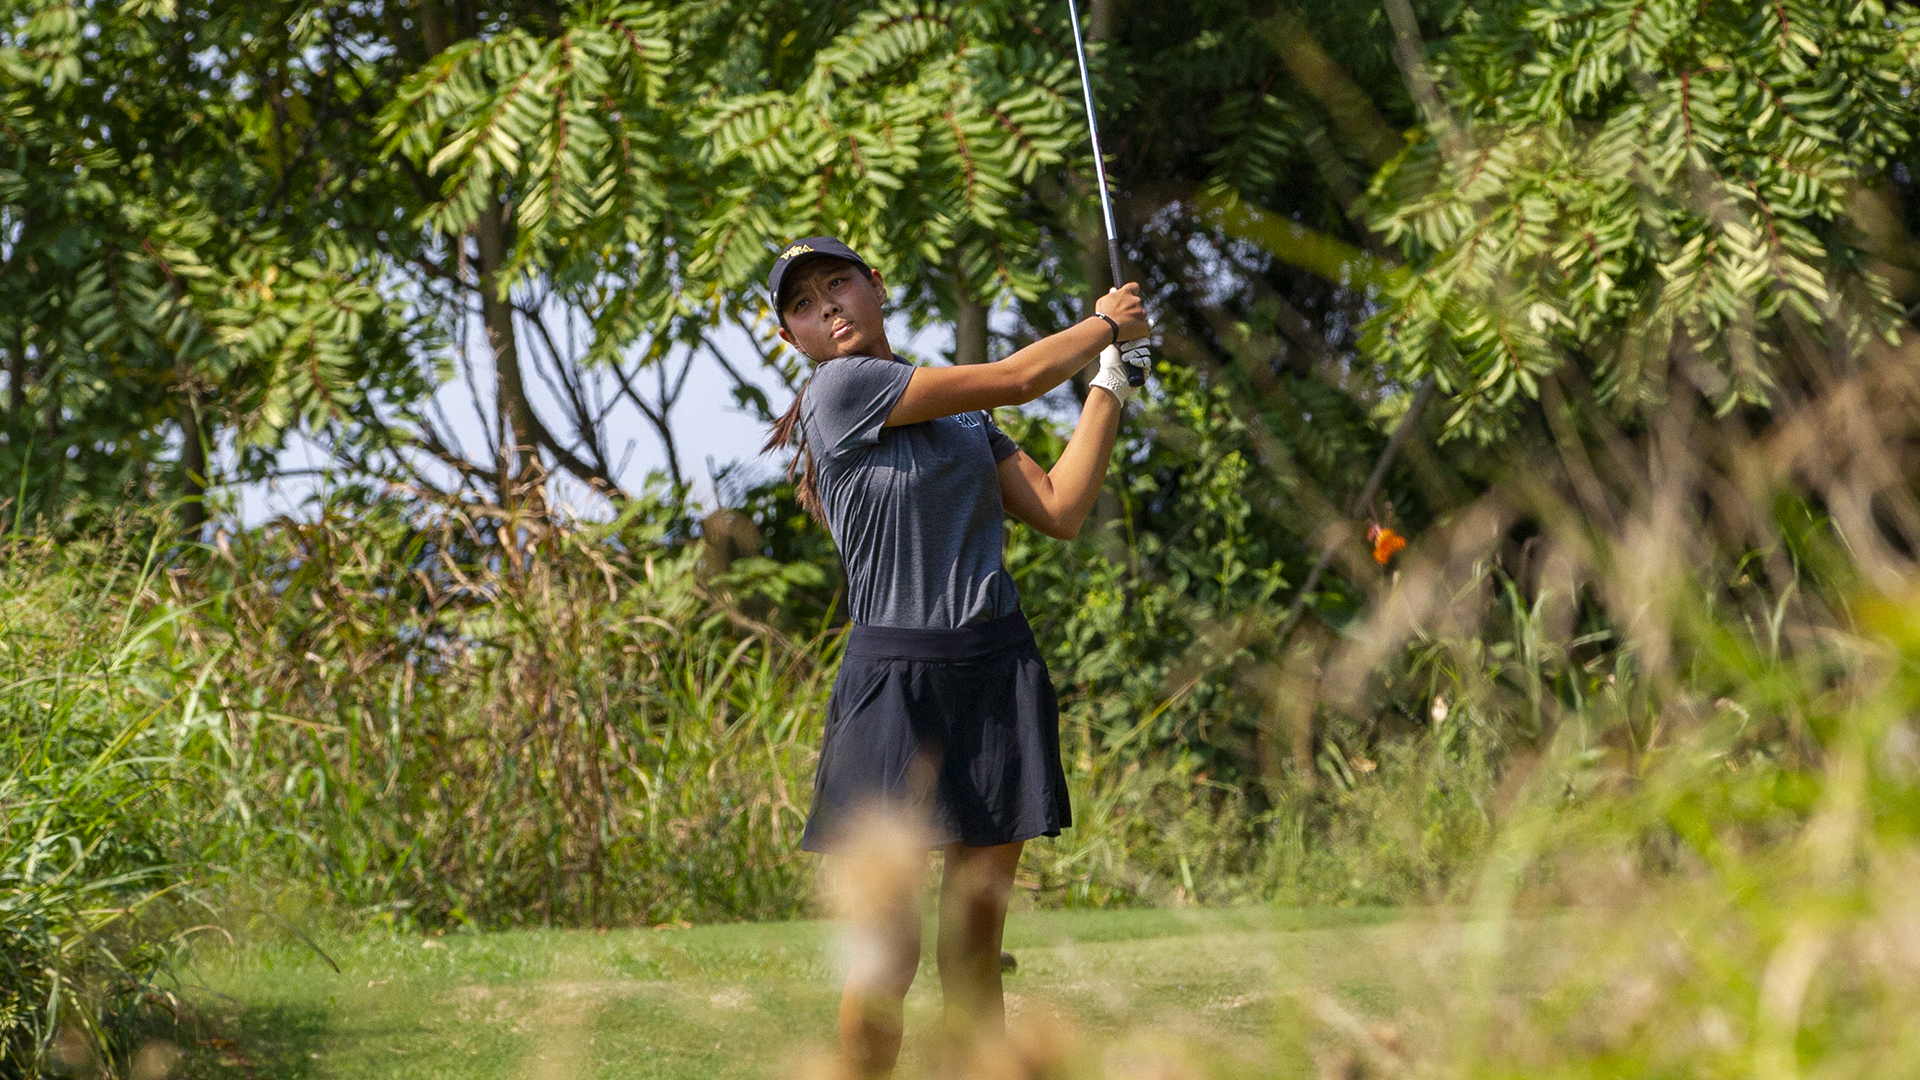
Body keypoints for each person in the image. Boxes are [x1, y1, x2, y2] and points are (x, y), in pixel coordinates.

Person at [761, 236, 1150, 1077]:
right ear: (794, 338)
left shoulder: (963, 422)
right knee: (888, 960)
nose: (828, 307)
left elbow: (1060, 506)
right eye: (803, 304)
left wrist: (1108, 384)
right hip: (894, 687)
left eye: (839, 284)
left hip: (996, 672)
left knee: (973, 952)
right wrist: (1101, 324)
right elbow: (1015, 376)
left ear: (876, 286)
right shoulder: (840, 389)